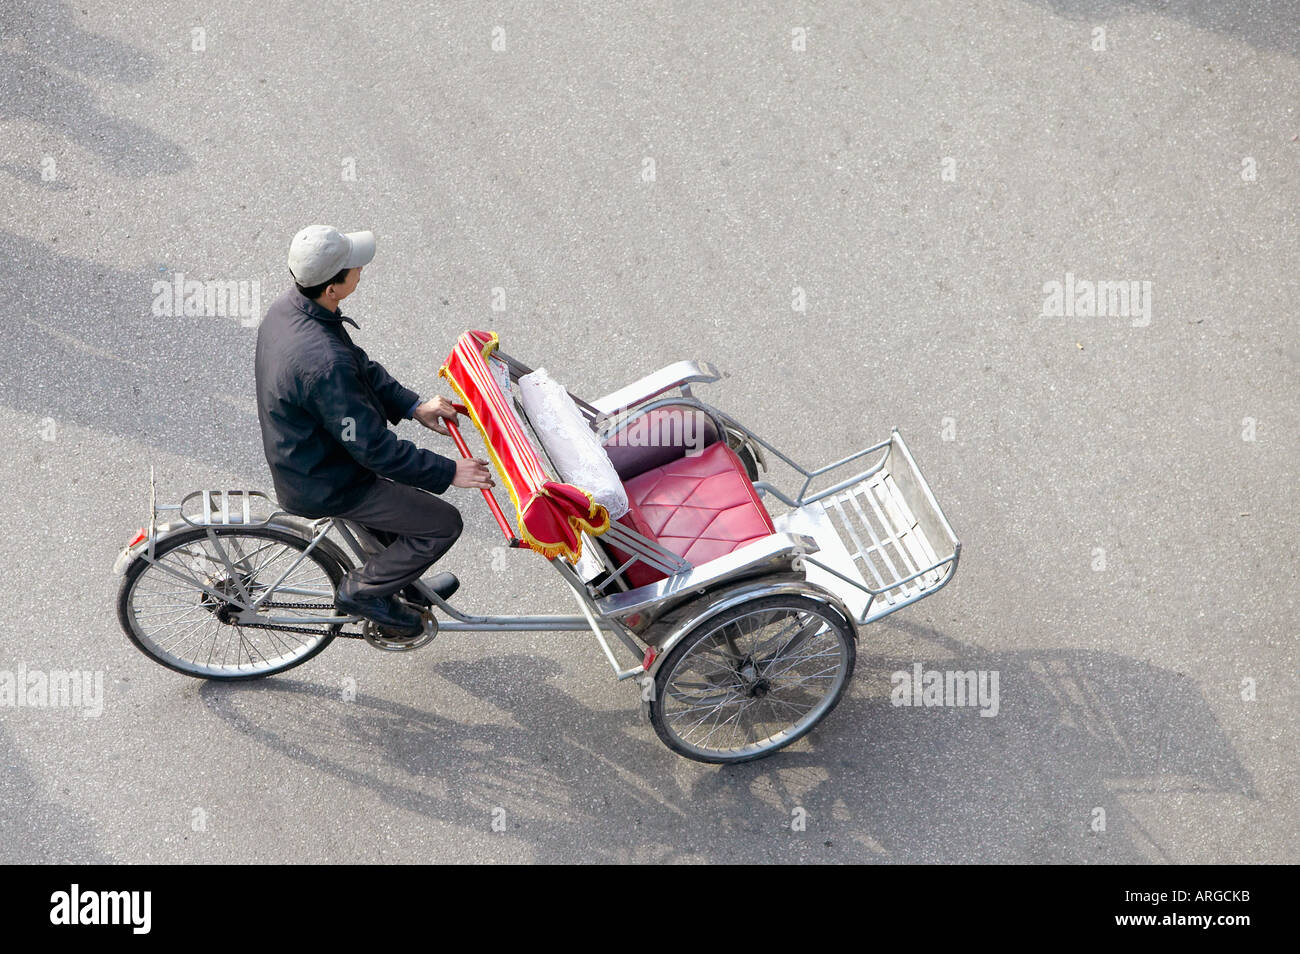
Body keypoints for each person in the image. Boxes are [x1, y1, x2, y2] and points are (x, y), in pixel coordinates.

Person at [254, 224, 494, 636]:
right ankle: (364, 591)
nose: (360, 270)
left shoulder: (292, 310)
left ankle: (404, 585)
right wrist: (449, 472)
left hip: (308, 454)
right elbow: (374, 450)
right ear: (333, 288)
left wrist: (412, 405)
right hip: (327, 480)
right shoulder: (323, 362)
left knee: (406, 514)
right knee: (441, 522)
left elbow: (359, 367)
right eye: (353, 268)